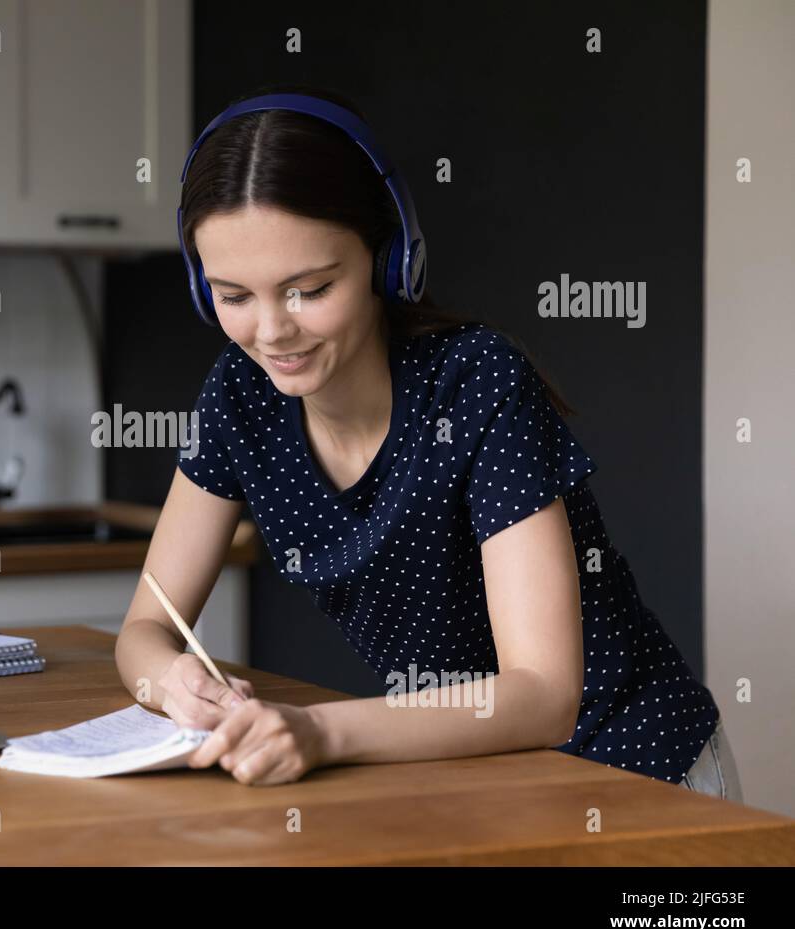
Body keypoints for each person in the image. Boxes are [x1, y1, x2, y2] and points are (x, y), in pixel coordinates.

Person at [113, 84, 741, 801]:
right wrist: (171, 681)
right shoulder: (239, 396)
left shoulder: (477, 382)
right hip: (479, 785)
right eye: (233, 296)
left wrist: (322, 731)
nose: (271, 332)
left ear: (389, 263)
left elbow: (543, 693)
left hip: (642, 773)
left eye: (310, 289)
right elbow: (143, 629)